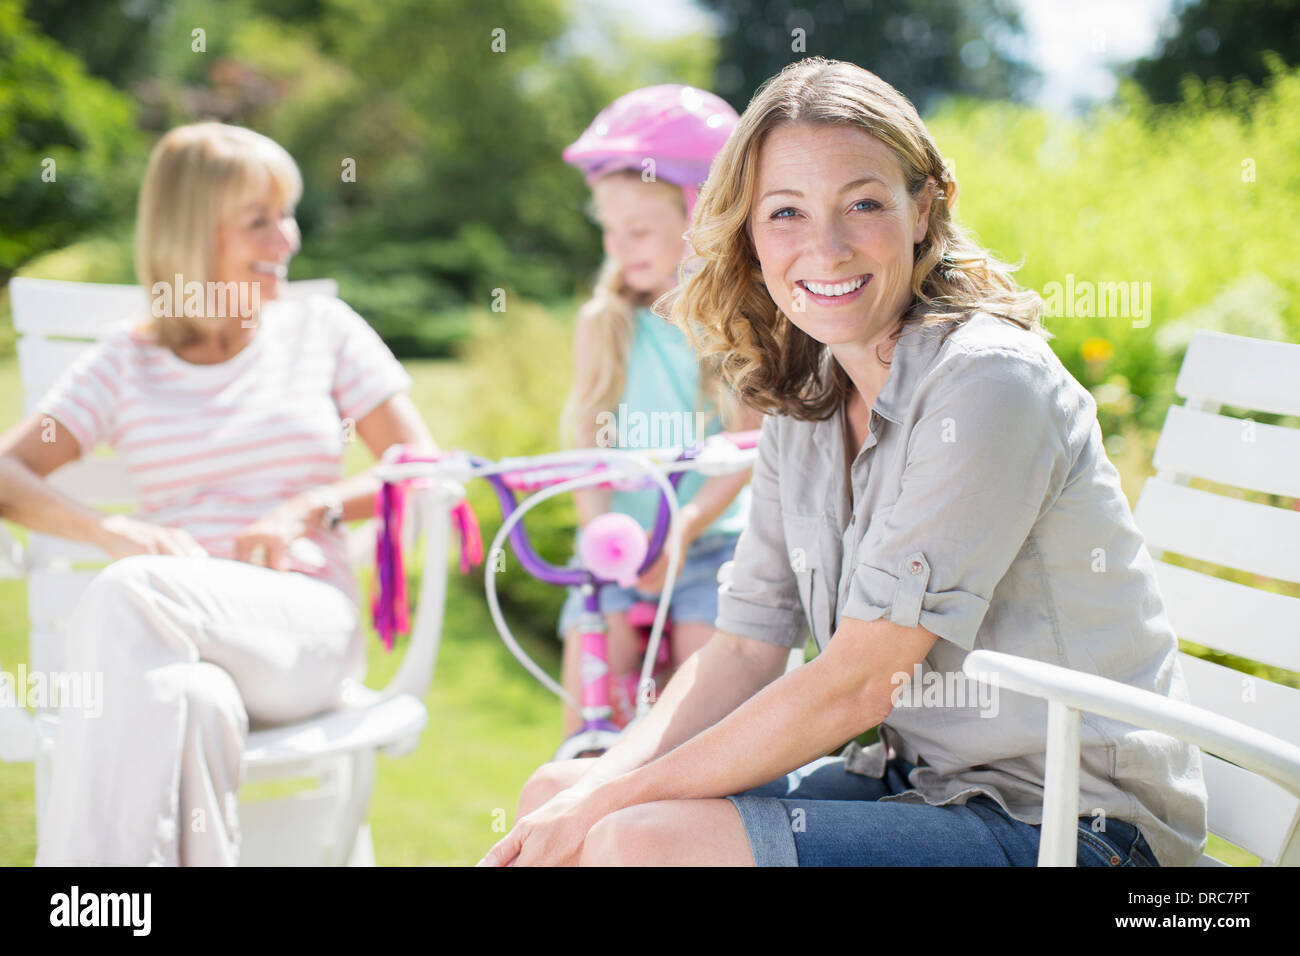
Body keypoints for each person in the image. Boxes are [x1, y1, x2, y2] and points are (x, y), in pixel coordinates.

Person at [480, 57, 1209, 867]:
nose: (824, 249)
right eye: (785, 213)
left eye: (863, 203)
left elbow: (864, 680)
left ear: (925, 207)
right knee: (560, 792)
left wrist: (612, 799)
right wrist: (592, 788)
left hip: (1079, 831)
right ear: (749, 235)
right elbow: (747, 647)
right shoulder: (809, 394)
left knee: (638, 838)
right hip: (921, 788)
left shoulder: (989, 384)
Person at [0, 121, 437, 866]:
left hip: (303, 629)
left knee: (131, 594)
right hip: (174, 633)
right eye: (260, 221)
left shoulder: (321, 330)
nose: (289, 239)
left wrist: (310, 507)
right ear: (191, 233)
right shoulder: (125, 361)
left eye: (287, 215)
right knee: (187, 702)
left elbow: (421, 467)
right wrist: (112, 531)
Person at [553, 85, 763, 739]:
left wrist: (685, 530)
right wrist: (602, 537)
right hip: (618, 548)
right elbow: (587, 435)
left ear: (700, 216)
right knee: (592, 716)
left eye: (639, 231)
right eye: (611, 232)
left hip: (711, 545)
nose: (621, 247)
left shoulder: (736, 324)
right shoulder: (606, 321)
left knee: (697, 722)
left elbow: (748, 442)